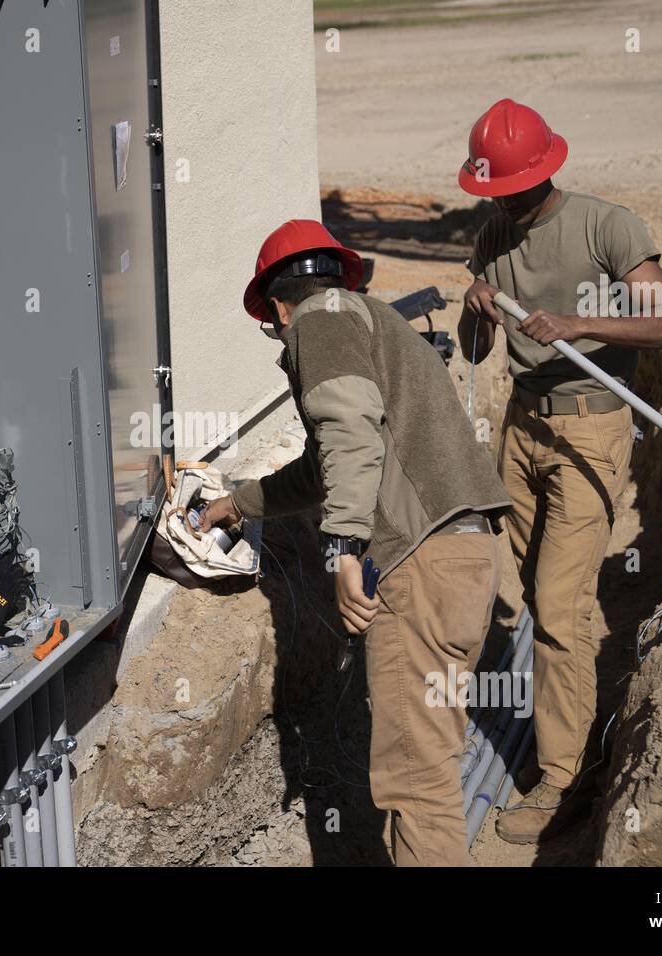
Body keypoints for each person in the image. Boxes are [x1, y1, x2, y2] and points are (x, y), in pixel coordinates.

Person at [202, 219, 510, 865]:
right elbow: (330, 465)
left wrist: (342, 553)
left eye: (273, 325)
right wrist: (240, 502)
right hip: (464, 558)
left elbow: (346, 436)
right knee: (432, 766)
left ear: (281, 305)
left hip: (419, 569)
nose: (282, 333)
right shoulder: (371, 323)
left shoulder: (320, 320)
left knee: (417, 788)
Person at [455, 99, 662, 844]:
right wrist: (476, 308)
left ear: (545, 171)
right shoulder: (491, 236)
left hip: (590, 430)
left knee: (558, 609)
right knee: (528, 590)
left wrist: (581, 322)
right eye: (491, 193)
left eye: (510, 190)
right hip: (521, 429)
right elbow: (473, 350)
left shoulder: (604, 226)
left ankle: (565, 778)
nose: (501, 205)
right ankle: (567, 708)